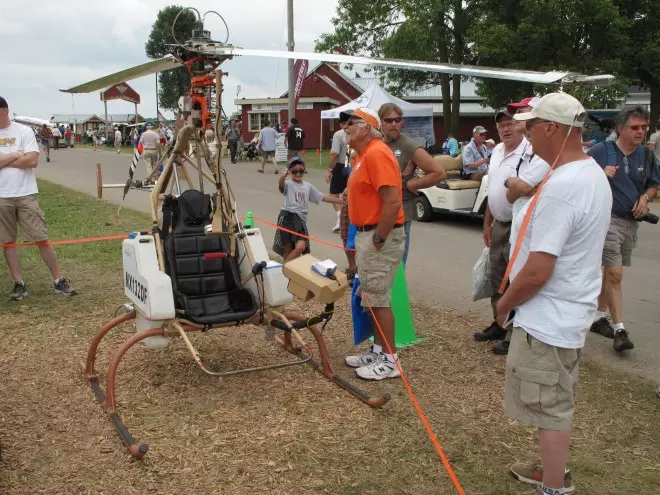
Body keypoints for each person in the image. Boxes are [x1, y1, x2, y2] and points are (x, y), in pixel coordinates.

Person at [497, 92, 612, 495]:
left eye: (530, 126)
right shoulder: (591, 172)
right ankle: (549, 469)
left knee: (551, 407)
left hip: (549, 317)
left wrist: (504, 303)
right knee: (553, 397)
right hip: (569, 310)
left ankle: (554, 485)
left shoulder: (563, 186)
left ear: (551, 128)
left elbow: (539, 270)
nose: (526, 135)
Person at [587, 106, 660, 352]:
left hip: (631, 223)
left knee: (610, 274)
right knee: (616, 273)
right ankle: (620, 329)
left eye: (643, 127)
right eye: (635, 127)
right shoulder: (600, 151)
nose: (641, 131)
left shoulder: (647, 156)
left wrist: (645, 198)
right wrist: (599, 174)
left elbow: (653, 185)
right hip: (606, 220)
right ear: (620, 129)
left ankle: (598, 317)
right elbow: (577, 176)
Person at [342, 107, 406, 381]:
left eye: (351, 123)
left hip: (379, 236)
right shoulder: (363, 155)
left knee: (379, 299)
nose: (345, 127)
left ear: (366, 128)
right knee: (372, 297)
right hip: (367, 234)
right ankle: (380, 351)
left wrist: (379, 237)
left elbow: (392, 201)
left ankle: (390, 360)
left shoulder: (377, 154)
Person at [0, 96, 77, 300]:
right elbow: (23, 158)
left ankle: (58, 280)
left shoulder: (23, 131)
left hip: (25, 194)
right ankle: (19, 284)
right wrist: (16, 155)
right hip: (2, 196)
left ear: (4, 111)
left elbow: (32, 160)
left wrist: (5, 160)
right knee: (7, 241)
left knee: (41, 237)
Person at [473, 108, 529, 354]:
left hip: (518, 225)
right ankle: (499, 323)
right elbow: (492, 189)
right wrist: (487, 222)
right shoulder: (495, 151)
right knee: (497, 276)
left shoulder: (528, 153)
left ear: (521, 125)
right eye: (501, 126)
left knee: (515, 278)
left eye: (510, 124)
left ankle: (515, 332)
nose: (505, 129)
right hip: (497, 222)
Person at [378, 103, 447, 267]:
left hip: (401, 212)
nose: (394, 124)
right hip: (378, 211)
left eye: (397, 119)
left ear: (402, 122)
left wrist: (411, 185)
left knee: (396, 264)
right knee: (378, 262)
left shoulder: (407, 144)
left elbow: (439, 173)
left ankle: (396, 293)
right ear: (381, 122)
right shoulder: (376, 143)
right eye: (389, 120)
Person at [272, 156, 342, 262]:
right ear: (290, 172)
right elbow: (281, 186)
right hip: (287, 217)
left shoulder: (307, 186)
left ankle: (284, 268)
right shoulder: (288, 184)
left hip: (300, 221)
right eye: (295, 171)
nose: (298, 173)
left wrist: (342, 201)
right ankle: (287, 273)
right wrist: (282, 177)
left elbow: (322, 197)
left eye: (301, 170)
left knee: (301, 247)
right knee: (287, 248)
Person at [327, 116, 350, 232]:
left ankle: (341, 218)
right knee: (350, 194)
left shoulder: (338, 134)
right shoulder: (359, 132)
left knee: (333, 195)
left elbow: (335, 154)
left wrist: (329, 169)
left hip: (341, 165)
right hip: (354, 164)